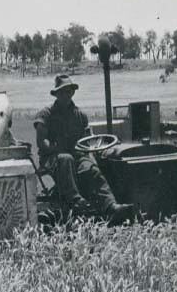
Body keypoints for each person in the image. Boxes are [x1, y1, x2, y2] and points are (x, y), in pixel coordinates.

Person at [34, 74, 136, 224]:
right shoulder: (46, 114)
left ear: (73, 92)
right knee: (65, 159)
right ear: (56, 94)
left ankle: (111, 206)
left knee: (91, 168)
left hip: (76, 155)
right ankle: (77, 202)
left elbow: (87, 141)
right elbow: (41, 142)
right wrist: (57, 148)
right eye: (62, 91)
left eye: (69, 91)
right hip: (52, 159)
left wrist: (90, 153)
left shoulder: (80, 115)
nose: (66, 94)